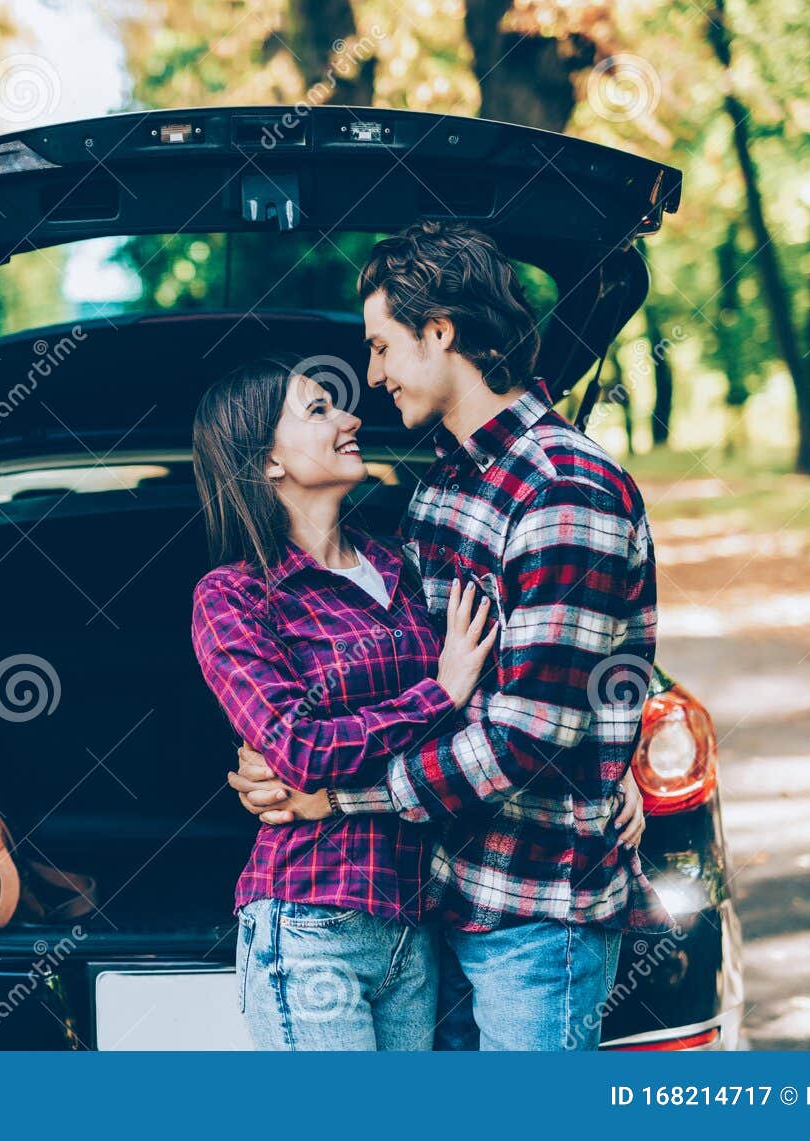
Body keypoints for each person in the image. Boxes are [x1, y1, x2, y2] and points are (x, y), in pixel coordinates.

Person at [229, 220, 672, 1052]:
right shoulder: (440, 490)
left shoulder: (564, 490)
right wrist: (286, 749)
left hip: (536, 913)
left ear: (440, 333)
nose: (371, 374)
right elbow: (417, 680)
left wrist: (331, 797)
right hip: (431, 900)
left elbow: (528, 739)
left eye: (382, 346)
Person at [189, 353, 496, 1050]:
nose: (352, 416)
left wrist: (617, 766)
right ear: (267, 462)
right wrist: (438, 692)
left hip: (415, 922)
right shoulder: (235, 596)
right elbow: (298, 749)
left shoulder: (405, 566)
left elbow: (513, 695)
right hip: (309, 918)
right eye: (318, 409)